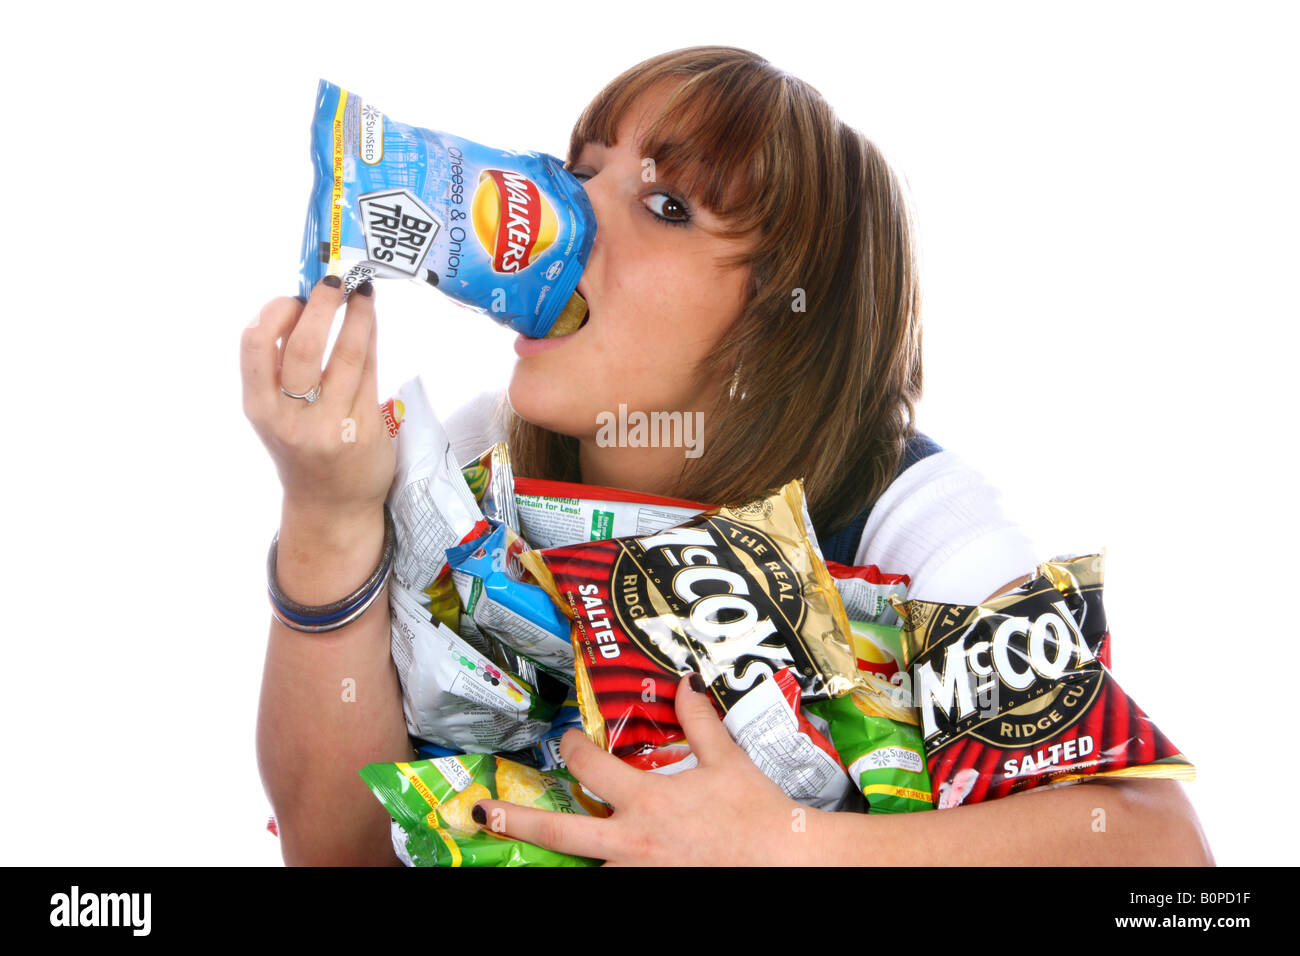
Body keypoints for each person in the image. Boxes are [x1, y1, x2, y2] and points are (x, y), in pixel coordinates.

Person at [242, 46, 1213, 866]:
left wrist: (790, 843)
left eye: (666, 206)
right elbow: (340, 853)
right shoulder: (462, 460)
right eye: (581, 173)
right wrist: (324, 518)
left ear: (781, 321)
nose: (567, 216)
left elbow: (1158, 848)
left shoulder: (903, 512)